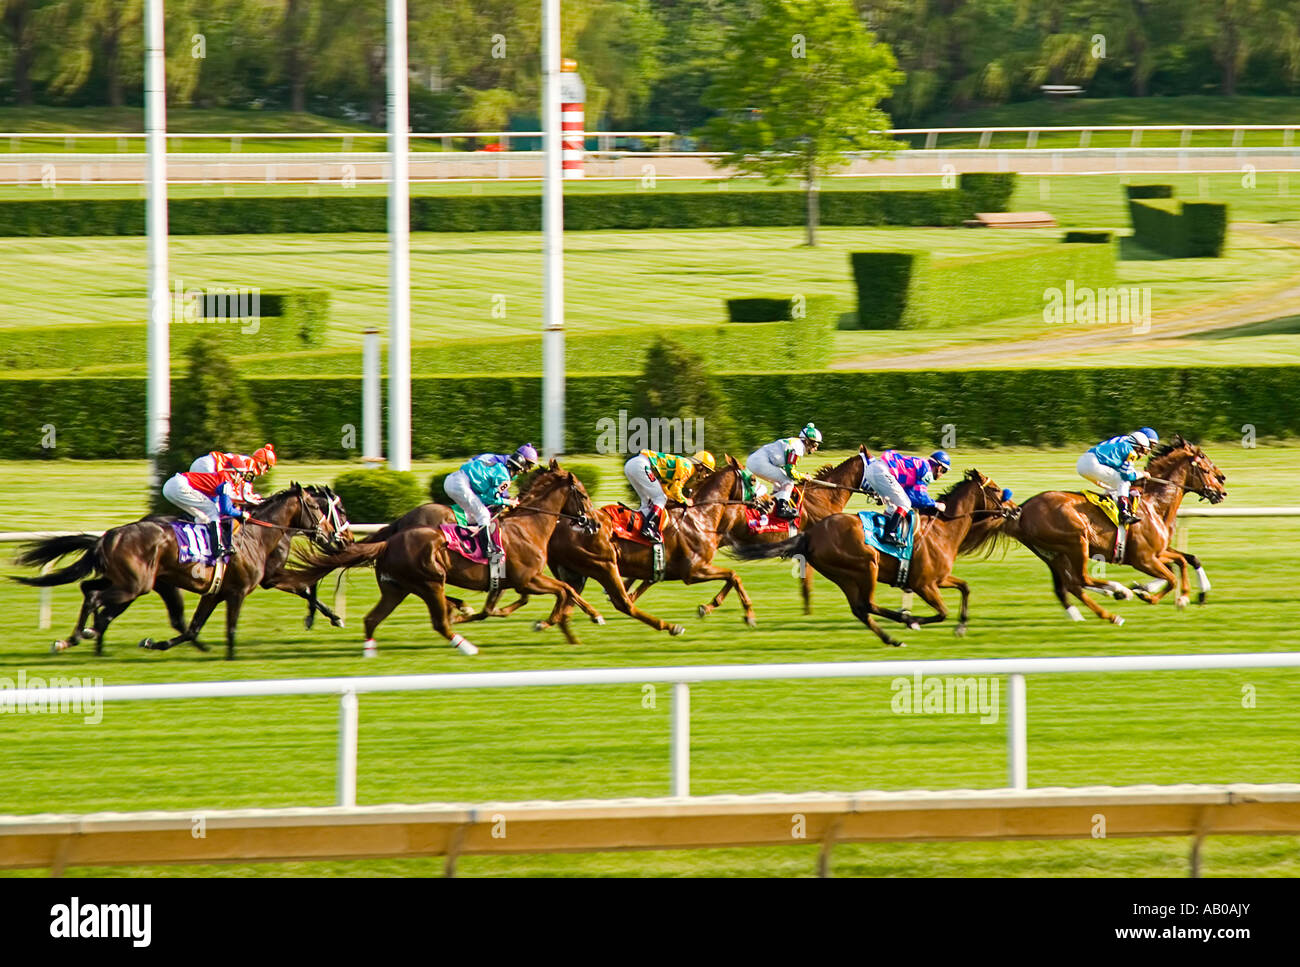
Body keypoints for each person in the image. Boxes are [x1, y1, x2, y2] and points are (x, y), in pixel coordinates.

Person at [443, 444, 539, 564]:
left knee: (480, 512)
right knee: (483, 514)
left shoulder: (504, 468)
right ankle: (488, 550)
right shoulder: (504, 474)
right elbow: (492, 498)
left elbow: (490, 494)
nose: (528, 469)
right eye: (528, 465)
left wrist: (505, 501)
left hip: (458, 480)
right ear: (521, 462)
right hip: (460, 483)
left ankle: (467, 536)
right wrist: (508, 502)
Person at [863, 448, 952, 546]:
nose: (942, 475)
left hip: (874, 470)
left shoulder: (921, 465)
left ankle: (882, 531)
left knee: (894, 507)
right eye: (944, 471)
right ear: (939, 468)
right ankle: (889, 534)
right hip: (882, 472)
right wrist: (935, 504)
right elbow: (919, 497)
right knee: (905, 503)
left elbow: (911, 495)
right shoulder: (926, 471)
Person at [623, 449, 716, 542]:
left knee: (647, 501)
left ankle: (638, 527)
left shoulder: (684, 465)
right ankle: (649, 527)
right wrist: (686, 500)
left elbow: (665, 489)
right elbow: (675, 491)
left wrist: (672, 497)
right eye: (707, 471)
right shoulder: (688, 468)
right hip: (641, 465)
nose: (706, 475)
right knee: (660, 498)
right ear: (700, 467)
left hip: (631, 465)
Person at [161, 464, 247, 559]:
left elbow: (218, 504)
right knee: (212, 511)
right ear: (234, 473)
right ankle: (217, 549)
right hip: (178, 485)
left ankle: (198, 544)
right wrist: (241, 514)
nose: (242, 480)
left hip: (170, 486)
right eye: (241, 475)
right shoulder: (226, 482)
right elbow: (226, 510)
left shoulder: (221, 479)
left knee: (203, 517)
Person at [1077, 429, 1156, 524]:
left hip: (1083, 462)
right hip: (1093, 464)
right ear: (1139, 447)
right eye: (1144, 450)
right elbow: (1128, 476)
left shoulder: (1123, 444)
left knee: (1114, 486)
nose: (1143, 454)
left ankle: (1109, 509)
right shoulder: (1131, 452)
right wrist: (1142, 474)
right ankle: (1124, 514)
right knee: (1123, 482)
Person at [745, 424, 822, 520]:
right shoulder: (797, 448)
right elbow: (791, 473)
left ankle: (773, 505)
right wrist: (804, 476)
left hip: (756, 460)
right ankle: (782, 509)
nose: (816, 448)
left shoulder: (795, 442)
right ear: (806, 441)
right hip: (759, 462)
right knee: (788, 482)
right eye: (815, 444)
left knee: (779, 483)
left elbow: (786, 469)